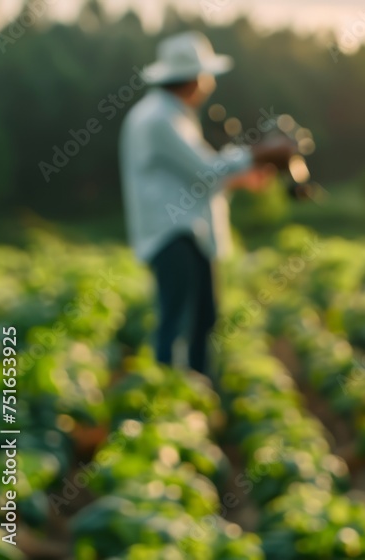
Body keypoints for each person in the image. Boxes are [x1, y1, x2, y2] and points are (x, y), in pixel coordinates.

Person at [120, 31, 295, 376]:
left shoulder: (170, 115)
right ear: (196, 79)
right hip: (174, 233)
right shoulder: (159, 119)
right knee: (179, 321)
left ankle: (193, 392)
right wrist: (260, 152)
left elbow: (194, 178)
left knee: (201, 318)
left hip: (184, 232)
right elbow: (205, 171)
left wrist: (241, 175)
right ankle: (171, 394)